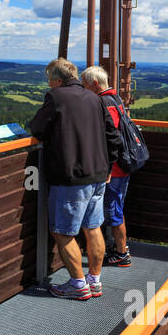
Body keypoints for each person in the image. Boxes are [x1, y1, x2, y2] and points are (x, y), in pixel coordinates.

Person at [25, 58, 112, 299]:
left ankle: (78, 285)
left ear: (58, 80)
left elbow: (37, 128)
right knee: (93, 228)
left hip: (72, 176)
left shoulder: (56, 97)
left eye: (49, 79)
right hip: (98, 173)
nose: (49, 84)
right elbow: (108, 133)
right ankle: (94, 281)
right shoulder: (95, 98)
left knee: (63, 232)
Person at [86, 65, 138, 268]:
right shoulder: (115, 98)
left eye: (85, 84)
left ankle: (121, 253)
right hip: (121, 166)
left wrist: (107, 167)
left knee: (114, 210)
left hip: (114, 169)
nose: (83, 88)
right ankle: (118, 248)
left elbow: (112, 137)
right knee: (116, 207)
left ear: (95, 84)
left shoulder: (104, 102)